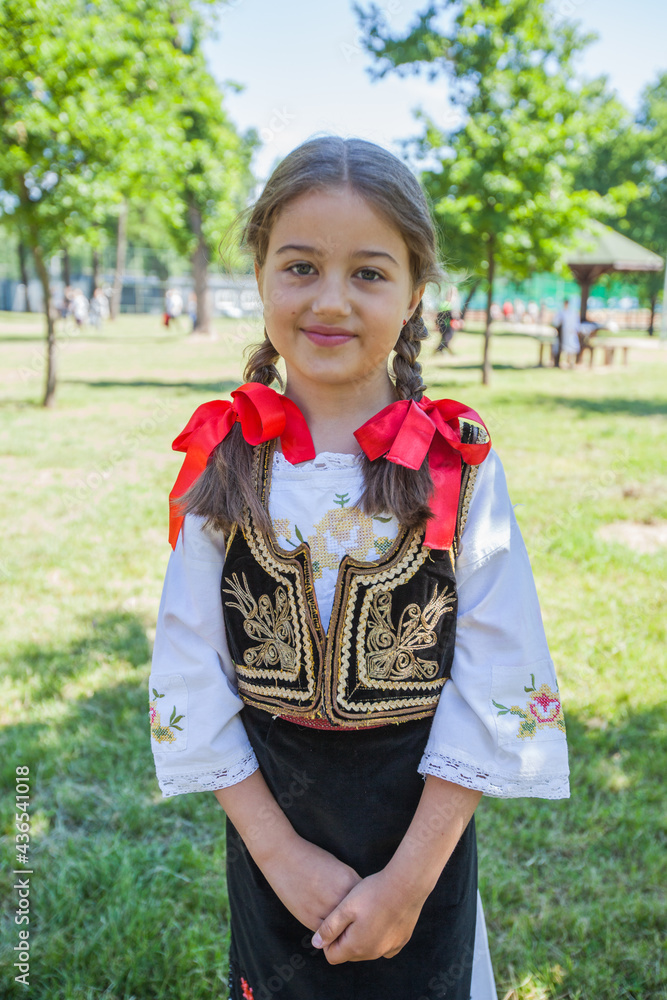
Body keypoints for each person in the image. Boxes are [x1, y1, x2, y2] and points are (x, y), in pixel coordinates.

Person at [149, 137, 570, 1000]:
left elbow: (497, 676)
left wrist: (407, 882)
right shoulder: (222, 464)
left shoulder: (458, 466)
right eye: (299, 266)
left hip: (422, 844)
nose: (329, 300)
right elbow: (190, 668)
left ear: (416, 291)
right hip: (274, 845)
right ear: (260, 275)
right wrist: (279, 852)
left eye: (369, 274)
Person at [552, 298, 579, 368]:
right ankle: (560, 362)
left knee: (572, 349)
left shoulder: (572, 312)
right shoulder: (561, 312)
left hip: (570, 333)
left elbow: (576, 323)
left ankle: (571, 362)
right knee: (562, 348)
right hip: (562, 334)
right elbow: (556, 322)